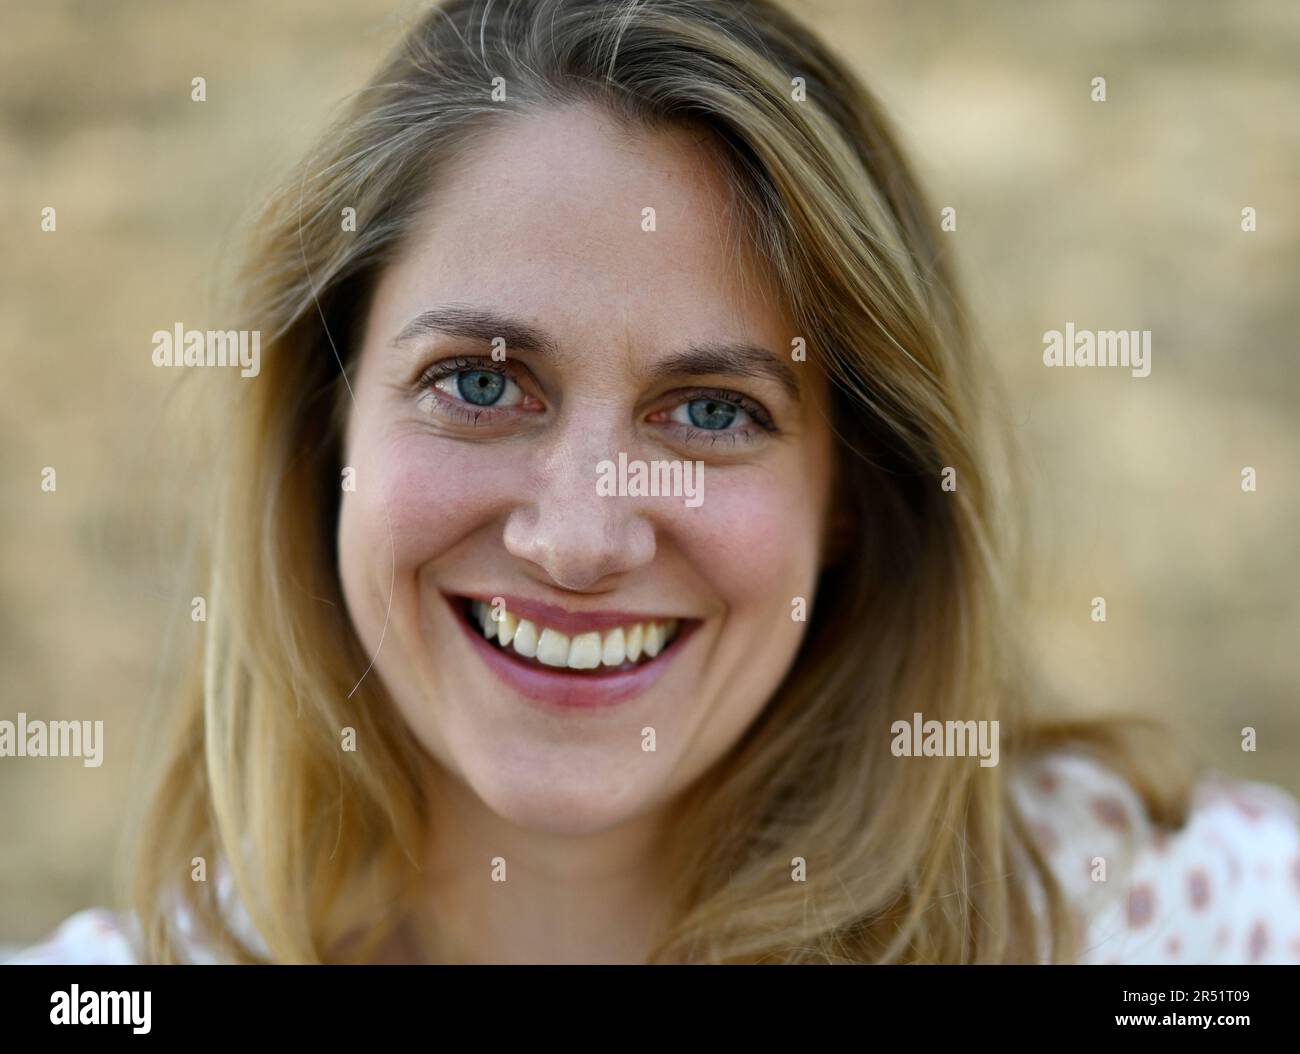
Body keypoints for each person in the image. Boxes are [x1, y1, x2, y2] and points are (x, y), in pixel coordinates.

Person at [10, 0, 1300, 965]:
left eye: (711, 410)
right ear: (328, 432)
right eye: (477, 382)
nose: (577, 540)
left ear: (852, 495)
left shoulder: (1176, 932)